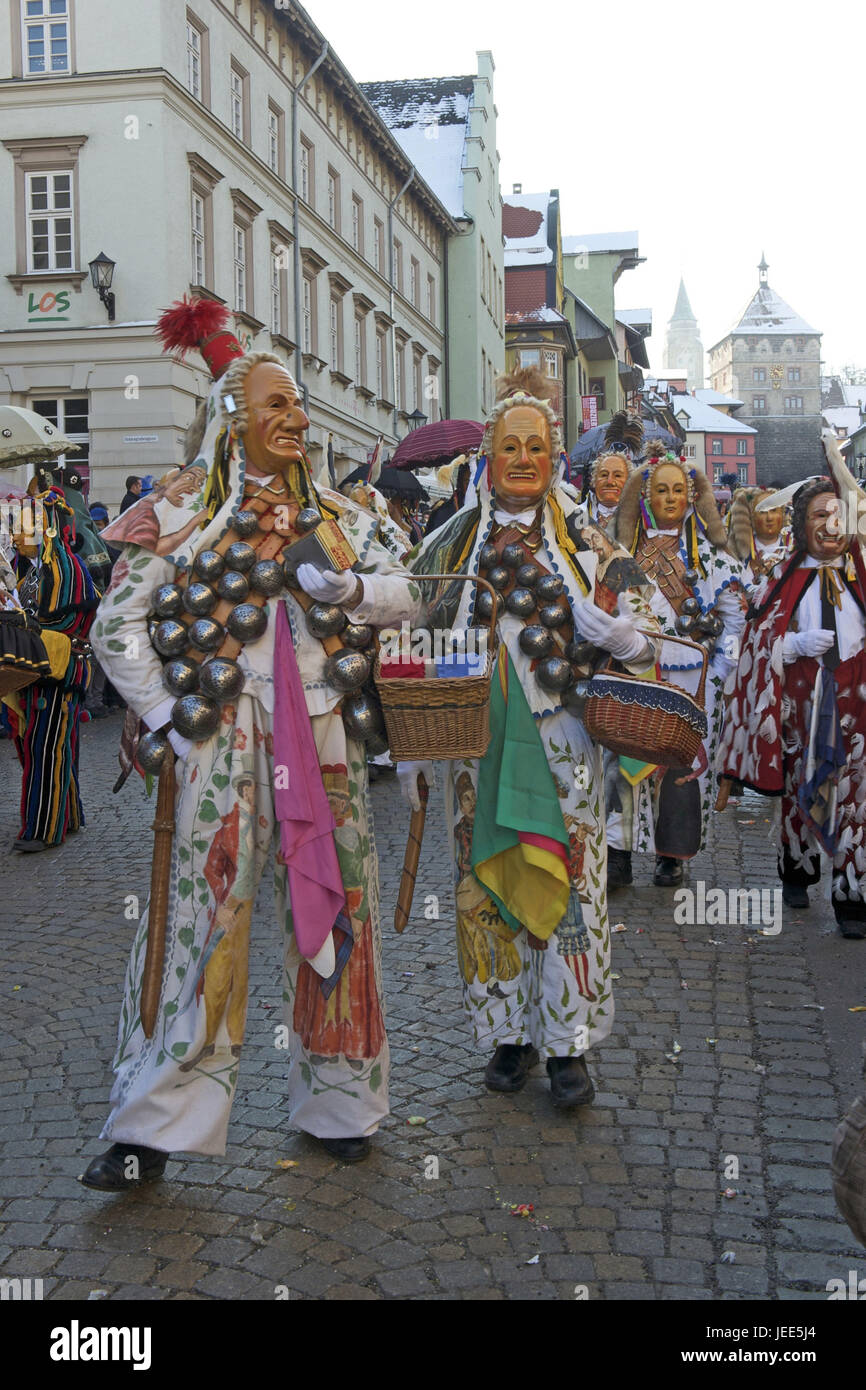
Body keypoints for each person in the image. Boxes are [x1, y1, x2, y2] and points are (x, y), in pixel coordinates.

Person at [79, 298, 423, 1191]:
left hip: (326, 738)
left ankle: (342, 1104)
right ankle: (150, 1126)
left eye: (299, 405)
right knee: (198, 919)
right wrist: (163, 721)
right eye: (276, 405)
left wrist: (351, 591)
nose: (296, 419)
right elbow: (116, 629)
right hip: (222, 742)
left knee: (343, 914)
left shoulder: (349, 514)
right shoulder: (182, 516)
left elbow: (414, 593)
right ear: (233, 419)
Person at [400, 368, 661, 1107]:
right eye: (509, 446)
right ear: (489, 454)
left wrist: (625, 635)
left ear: (554, 458)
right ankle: (509, 1036)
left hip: (567, 747)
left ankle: (568, 1044)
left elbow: (659, 636)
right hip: (475, 753)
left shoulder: (588, 540)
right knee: (485, 888)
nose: (522, 458)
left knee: (574, 886)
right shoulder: (451, 542)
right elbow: (409, 622)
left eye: (536, 447)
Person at [718, 438, 866, 939]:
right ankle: (798, 872)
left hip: (855, 708)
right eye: (819, 517)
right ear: (801, 527)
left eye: (836, 516)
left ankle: (853, 897)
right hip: (800, 707)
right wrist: (793, 646)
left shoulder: (860, 578)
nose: (830, 527)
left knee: (854, 802)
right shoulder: (783, 579)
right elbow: (760, 642)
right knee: (803, 792)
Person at [609, 446, 747, 887]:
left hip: (694, 680)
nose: (670, 498)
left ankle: (672, 853)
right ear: (645, 497)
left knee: (681, 771)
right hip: (635, 674)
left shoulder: (714, 559)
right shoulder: (620, 556)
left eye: (679, 490)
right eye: (660, 490)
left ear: (692, 496)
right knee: (624, 760)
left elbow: (733, 623)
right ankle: (619, 850)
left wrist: (722, 672)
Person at [1, 489, 98, 851]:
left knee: (46, 747)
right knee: (41, 745)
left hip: (58, 671)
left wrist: (25, 625)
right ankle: (67, 815)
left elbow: (69, 622)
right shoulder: (31, 569)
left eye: (26, 526)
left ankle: (41, 828)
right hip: (34, 668)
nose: (17, 535)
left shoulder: (67, 567)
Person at [575, 411, 642, 536]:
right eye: (604, 475)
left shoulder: (642, 522)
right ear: (594, 481)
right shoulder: (574, 519)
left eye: (618, 475)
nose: (610, 482)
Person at [727, 485, 791, 586]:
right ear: (752, 516)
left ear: (782, 513)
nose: (769, 518)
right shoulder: (739, 549)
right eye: (762, 512)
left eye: (774, 510)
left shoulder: (793, 545)